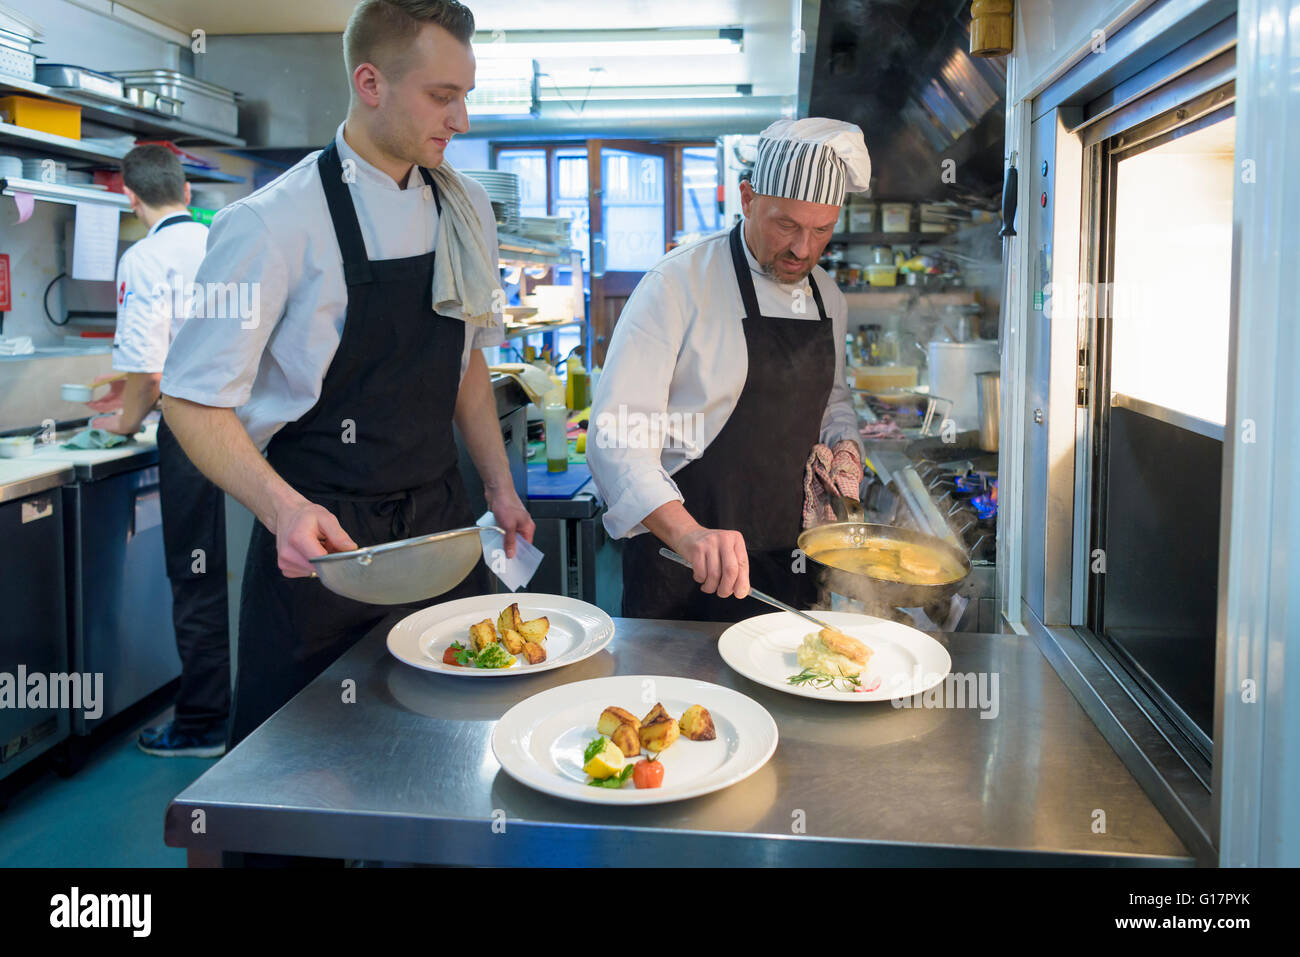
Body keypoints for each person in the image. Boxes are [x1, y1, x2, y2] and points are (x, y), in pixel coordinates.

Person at [160, 0, 533, 748]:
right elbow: (190, 400)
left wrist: (498, 484)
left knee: (451, 761)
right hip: (323, 546)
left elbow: (463, 360)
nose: (461, 118)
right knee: (301, 781)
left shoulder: (466, 210)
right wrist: (280, 510)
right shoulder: (272, 223)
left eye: (466, 93)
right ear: (370, 81)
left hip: (440, 528)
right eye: (441, 95)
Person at [587, 118, 871, 623]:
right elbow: (616, 435)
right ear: (747, 199)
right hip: (684, 562)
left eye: (821, 230)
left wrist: (844, 444)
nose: (802, 249)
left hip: (793, 561)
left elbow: (832, 398)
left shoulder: (829, 297)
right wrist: (687, 533)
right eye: (786, 224)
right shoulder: (677, 285)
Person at [95, 144, 229, 756]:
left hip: (193, 431)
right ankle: (246, 714)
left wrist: (120, 425)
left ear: (130, 196)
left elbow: (149, 375)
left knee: (196, 578)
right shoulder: (219, 242)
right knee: (236, 572)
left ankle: (202, 724)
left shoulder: (145, 257)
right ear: (187, 192)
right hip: (250, 428)